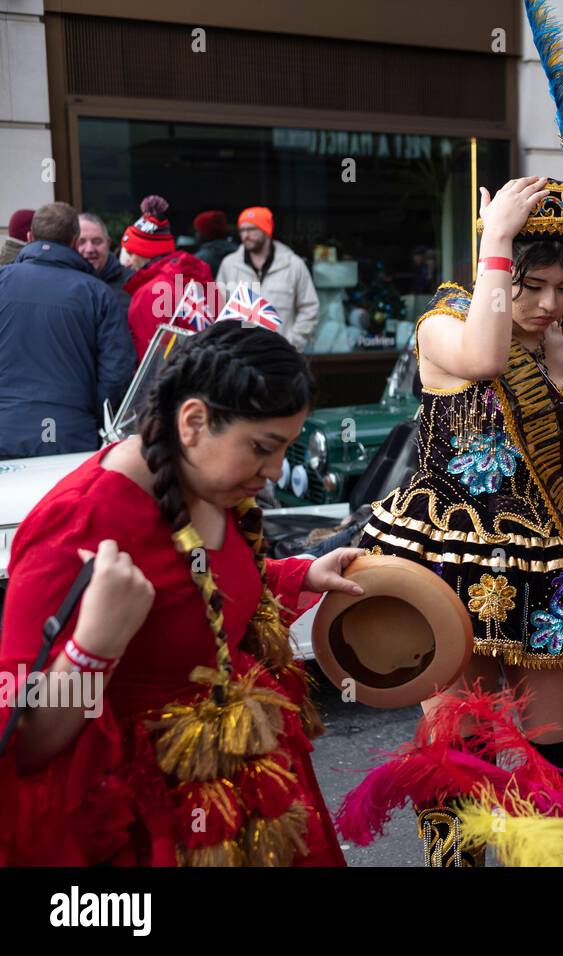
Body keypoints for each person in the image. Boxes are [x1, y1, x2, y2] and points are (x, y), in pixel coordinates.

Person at [0, 322, 363, 865]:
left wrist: (296, 575)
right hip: (150, 833)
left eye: (285, 448)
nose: (272, 473)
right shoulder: (79, 523)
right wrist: (94, 647)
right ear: (193, 421)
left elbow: (199, 592)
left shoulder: (206, 479)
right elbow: (25, 740)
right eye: (264, 448)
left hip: (249, 798)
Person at [354, 175, 563, 864]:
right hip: (451, 564)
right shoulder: (446, 325)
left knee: (560, 763)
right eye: (532, 284)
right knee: (458, 762)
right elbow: (484, 359)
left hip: (550, 570)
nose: (549, 303)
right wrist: (497, 241)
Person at [0, 201, 134, 459]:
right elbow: (117, 369)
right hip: (69, 431)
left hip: (6, 426)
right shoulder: (98, 293)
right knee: (62, 499)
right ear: (75, 241)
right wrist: (90, 413)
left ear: (29, 238)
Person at [121, 195, 215, 361]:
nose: (127, 262)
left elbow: (151, 358)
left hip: (169, 381)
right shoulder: (192, 277)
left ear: (146, 252)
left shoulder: (152, 291)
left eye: (130, 252)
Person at [217, 206, 320, 351]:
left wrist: (292, 343)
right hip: (241, 356)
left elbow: (309, 308)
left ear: (266, 230)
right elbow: (219, 309)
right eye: (242, 230)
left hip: (281, 356)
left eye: (252, 229)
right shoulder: (229, 265)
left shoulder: (293, 265)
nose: (245, 235)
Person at [77, 211, 133, 309]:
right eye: (81, 242)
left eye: (97, 241)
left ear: (108, 244)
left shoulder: (133, 283)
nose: (89, 249)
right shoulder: (59, 283)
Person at [192, 210, 238, 276]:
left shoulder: (199, 259)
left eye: (197, 231)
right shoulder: (239, 252)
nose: (196, 235)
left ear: (203, 234)